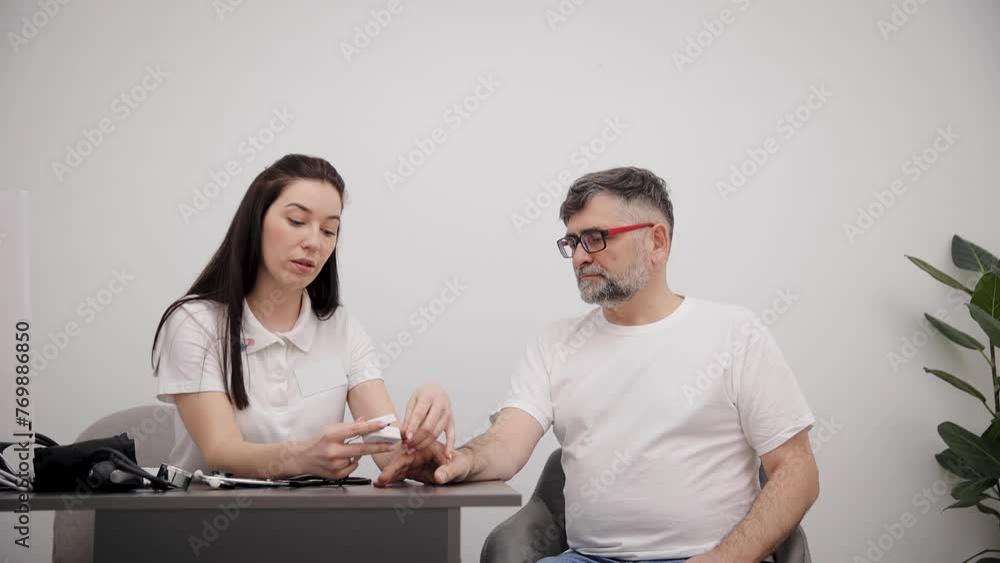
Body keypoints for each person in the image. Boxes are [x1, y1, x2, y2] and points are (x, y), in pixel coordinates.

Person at [375, 167, 819, 562]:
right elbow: (506, 445)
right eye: (573, 241)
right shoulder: (556, 343)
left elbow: (797, 471)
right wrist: (453, 463)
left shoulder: (734, 333)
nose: (582, 255)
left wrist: (725, 558)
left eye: (596, 237)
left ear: (657, 241)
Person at [151, 154, 454, 479]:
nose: (314, 243)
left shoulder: (343, 330)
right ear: (256, 221)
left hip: (316, 522)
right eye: (296, 221)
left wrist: (421, 439)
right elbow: (220, 450)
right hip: (203, 521)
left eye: (329, 230)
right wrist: (301, 457)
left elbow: (389, 449)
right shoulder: (196, 323)